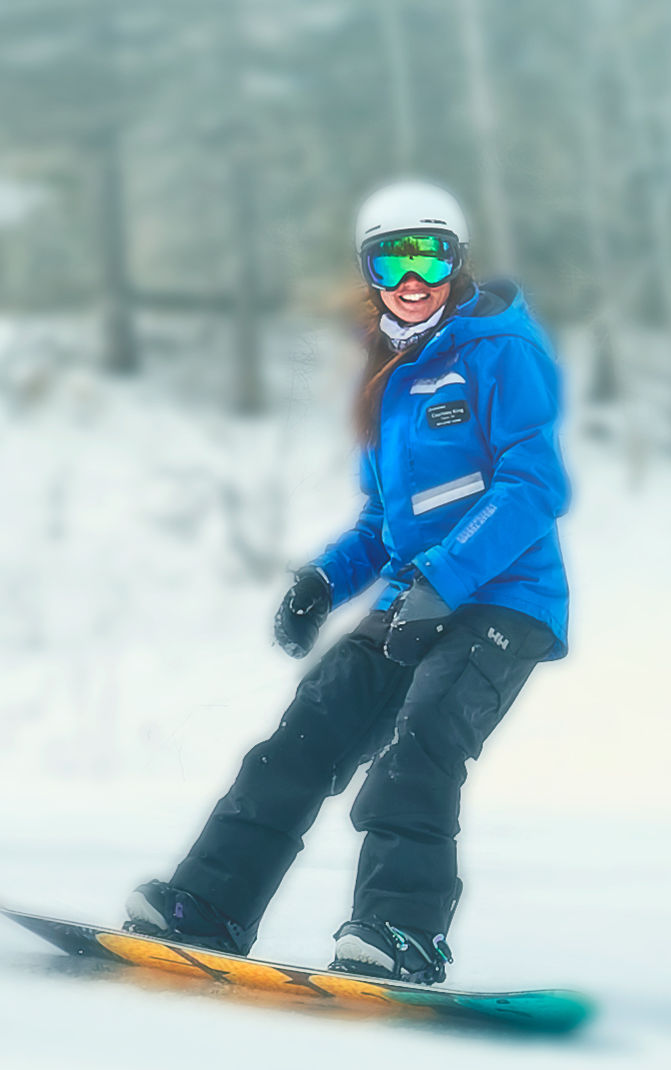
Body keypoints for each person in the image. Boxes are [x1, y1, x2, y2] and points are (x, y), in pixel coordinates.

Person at [120, 181, 573, 985]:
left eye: (429, 254)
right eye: (390, 256)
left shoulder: (502, 351)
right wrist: (322, 583)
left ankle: (403, 932)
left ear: (455, 261)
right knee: (303, 737)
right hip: (415, 595)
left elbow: (535, 486)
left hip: (505, 600)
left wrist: (443, 580)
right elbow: (385, 521)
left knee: (418, 748)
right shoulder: (393, 374)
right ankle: (209, 905)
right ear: (369, 270)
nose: (411, 274)